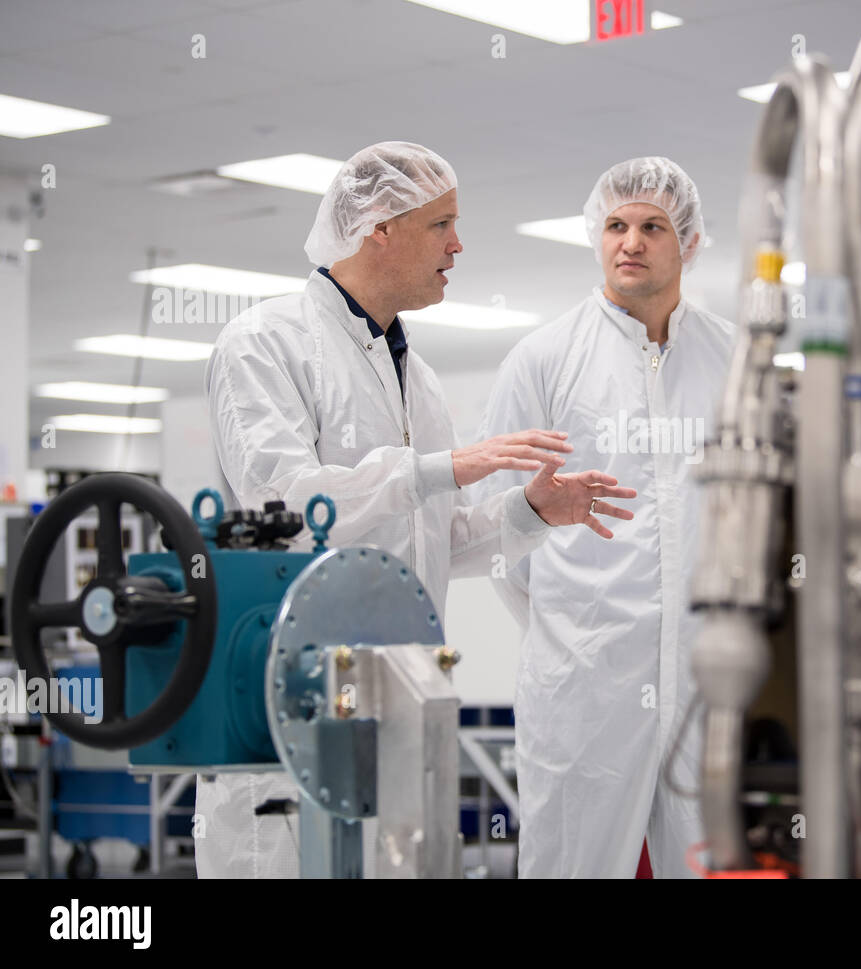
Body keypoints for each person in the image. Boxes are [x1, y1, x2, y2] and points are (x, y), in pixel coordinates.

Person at [199, 141, 635, 878]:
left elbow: (432, 540)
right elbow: (287, 504)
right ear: (380, 228)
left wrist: (529, 511)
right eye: (443, 225)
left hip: (399, 719)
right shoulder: (265, 343)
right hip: (290, 719)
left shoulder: (417, 376)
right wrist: (439, 467)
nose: (458, 245)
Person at [471, 157, 735, 877]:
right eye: (617, 225)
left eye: (652, 226)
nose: (631, 242)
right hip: (583, 687)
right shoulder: (545, 359)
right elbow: (497, 526)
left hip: (708, 690)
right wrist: (576, 632)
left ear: (688, 240)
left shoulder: (734, 359)